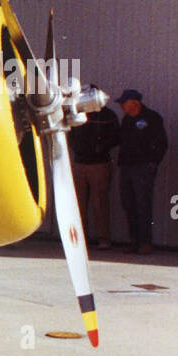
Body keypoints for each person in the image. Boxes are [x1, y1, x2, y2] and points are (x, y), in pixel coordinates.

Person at [115, 89, 167, 254]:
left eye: (125, 103)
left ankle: (145, 242)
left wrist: (153, 162)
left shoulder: (152, 118)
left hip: (143, 168)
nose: (122, 106)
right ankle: (134, 241)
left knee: (143, 205)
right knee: (128, 204)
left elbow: (161, 143)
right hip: (127, 168)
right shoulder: (126, 120)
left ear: (135, 103)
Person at [68, 85, 119, 248]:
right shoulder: (77, 111)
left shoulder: (108, 115)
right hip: (79, 163)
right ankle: (80, 239)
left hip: (99, 164)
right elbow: (69, 133)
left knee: (100, 202)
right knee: (78, 203)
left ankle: (103, 239)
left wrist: (101, 147)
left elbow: (116, 137)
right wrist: (77, 149)